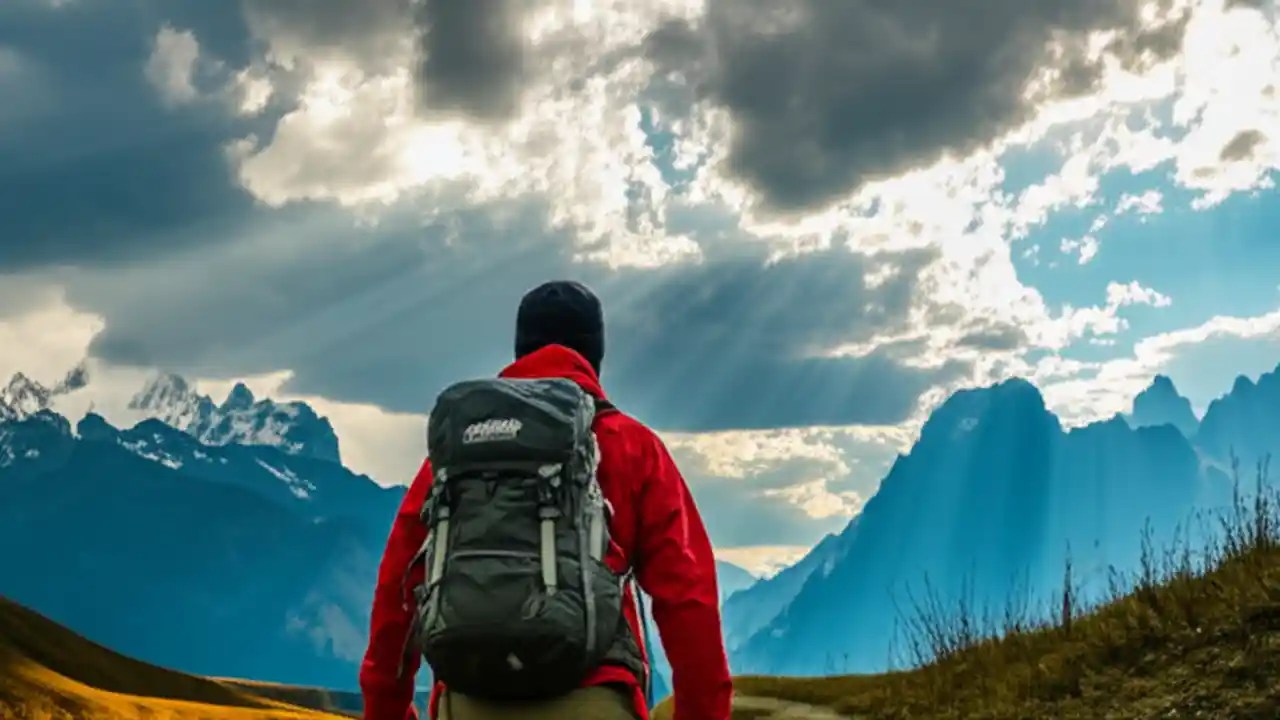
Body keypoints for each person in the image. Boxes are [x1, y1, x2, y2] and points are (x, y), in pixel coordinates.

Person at [359, 280, 733, 720]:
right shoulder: (631, 446)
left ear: (519, 350)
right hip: (594, 700)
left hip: (467, 702)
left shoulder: (456, 457)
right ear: (596, 357)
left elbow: (398, 592)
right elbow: (688, 599)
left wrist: (387, 709)